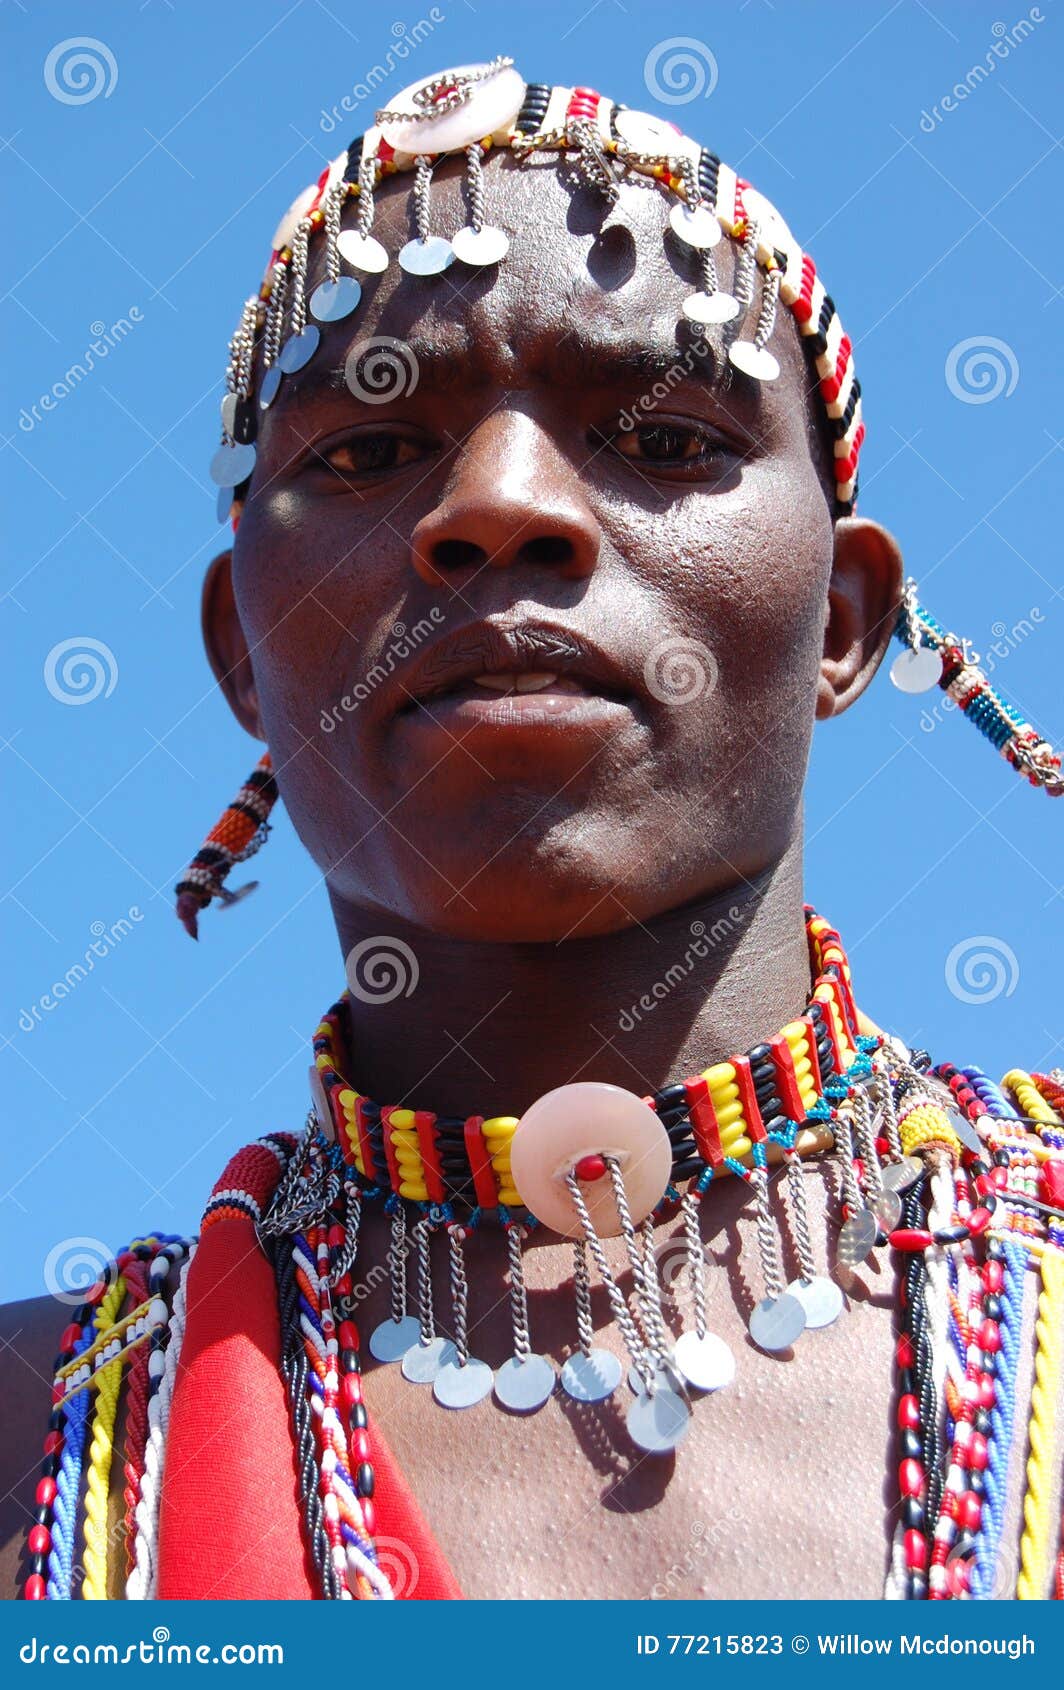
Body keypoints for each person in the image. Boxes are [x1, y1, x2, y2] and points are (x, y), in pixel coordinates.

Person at [2, 60, 1061, 1604]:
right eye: (365, 452)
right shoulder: (45, 1434)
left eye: (671, 437)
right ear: (243, 650)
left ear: (846, 619)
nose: (497, 505)